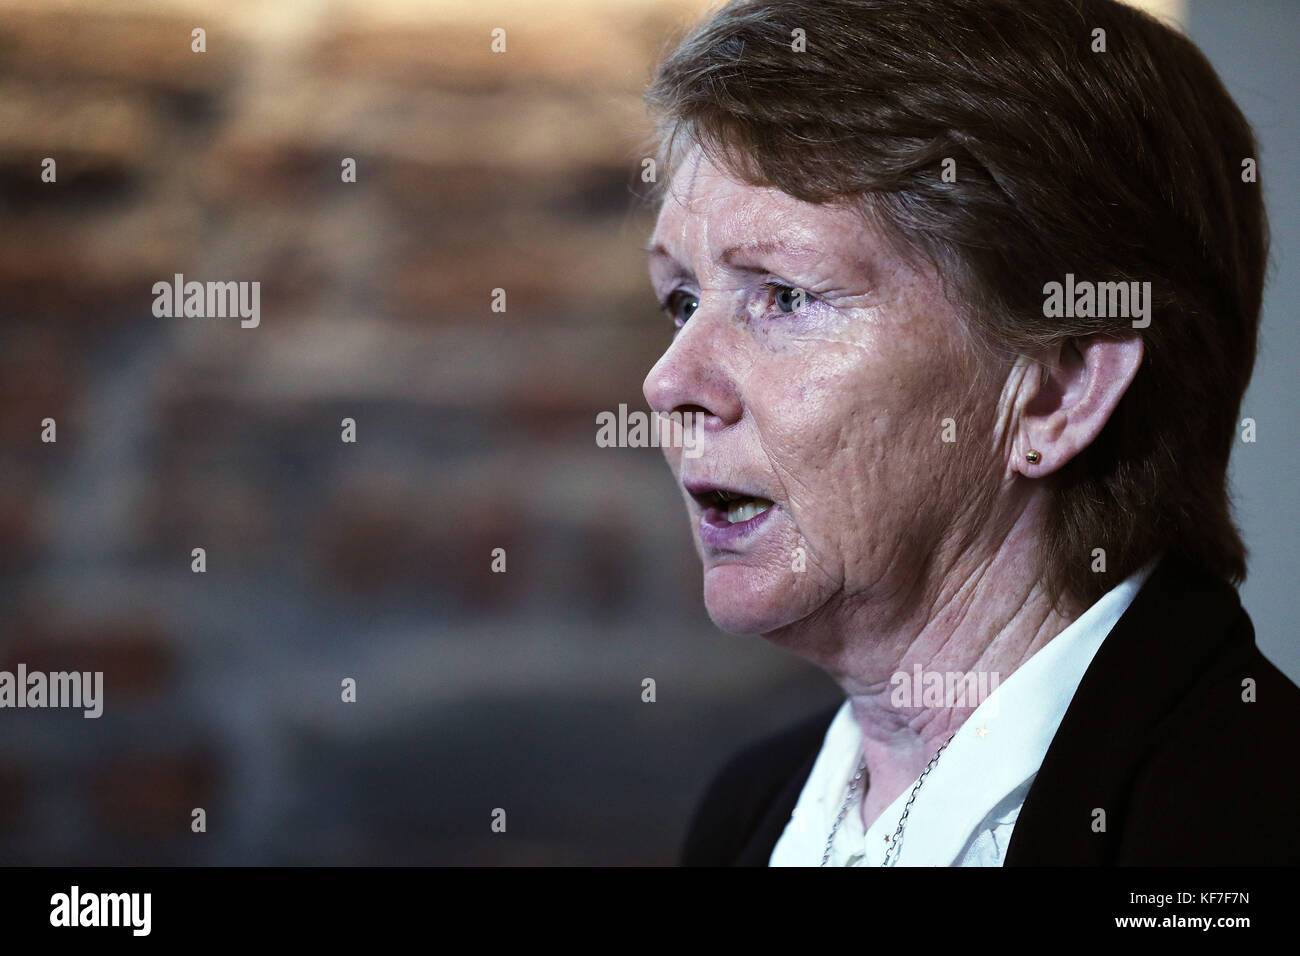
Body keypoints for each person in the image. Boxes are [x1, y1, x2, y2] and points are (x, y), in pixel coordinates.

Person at [639, 0, 1300, 865]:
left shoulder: (1253, 823)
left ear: (1056, 391)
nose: (668, 383)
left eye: (785, 296)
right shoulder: (748, 811)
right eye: (682, 301)